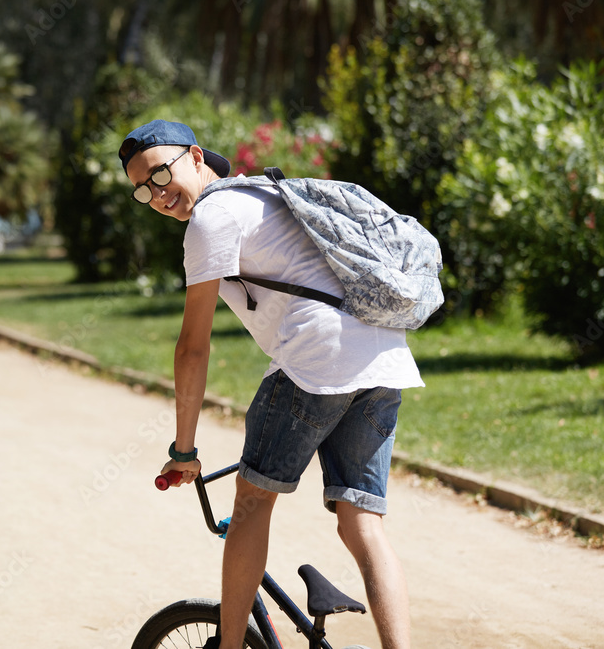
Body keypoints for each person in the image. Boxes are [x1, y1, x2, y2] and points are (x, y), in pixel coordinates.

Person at [119, 119, 420, 649]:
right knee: (362, 524)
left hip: (317, 357)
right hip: (383, 356)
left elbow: (192, 347)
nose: (156, 194)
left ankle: (230, 647)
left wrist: (184, 450)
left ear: (195, 157)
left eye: (160, 174)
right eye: (142, 189)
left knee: (251, 504)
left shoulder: (211, 217)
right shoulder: (262, 193)